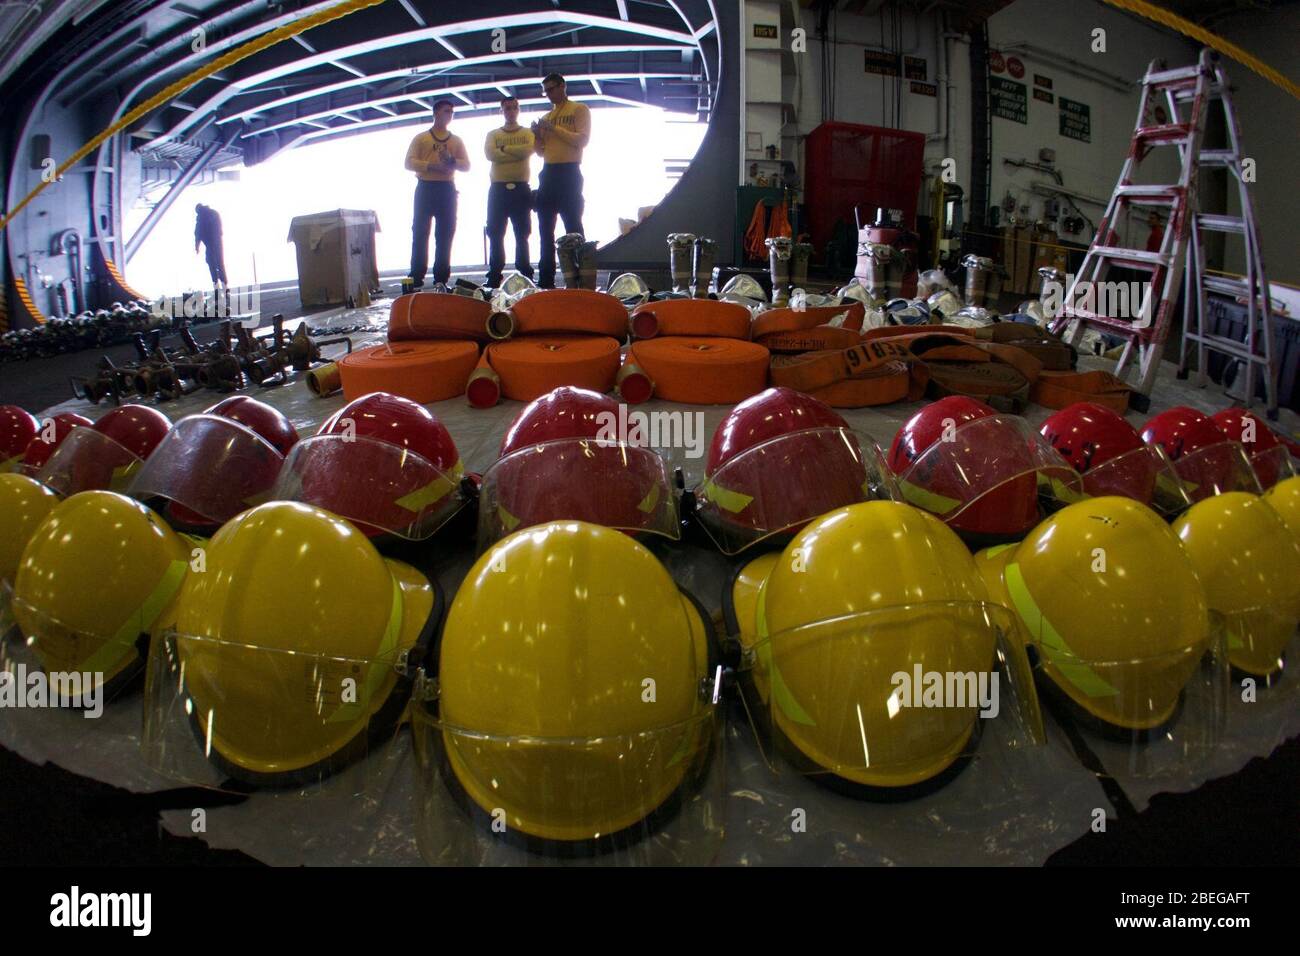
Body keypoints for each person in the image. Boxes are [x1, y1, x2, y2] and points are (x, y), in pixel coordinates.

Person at [532, 73, 591, 288]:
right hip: (548, 173)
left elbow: (582, 140)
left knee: (573, 226)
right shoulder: (547, 117)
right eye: (545, 91)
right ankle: (546, 279)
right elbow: (539, 152)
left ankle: (581, 278)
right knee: (545, 228)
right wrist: (537, 136)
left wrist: (553, 129)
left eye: (551, 89)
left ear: (563, 86)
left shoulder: (579, 109)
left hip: (569, 172)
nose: (549, 94)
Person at [405, 99, 470, 290]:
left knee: (445, 233)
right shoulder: (421, 138)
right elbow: (408, 163)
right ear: (435, 113)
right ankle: (416, 275)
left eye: (451, 112)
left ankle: (441, 276)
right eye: (445, 111)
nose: (449, 115)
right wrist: (431, 166)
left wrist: (451, 161)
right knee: (420, 231)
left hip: (446, 189)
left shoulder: (456, 140)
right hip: (425, 187)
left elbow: (466, 165)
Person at [484, 96, 536, 288]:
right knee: (496, 232)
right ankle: (494, 275)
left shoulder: (528, 133)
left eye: (514, 108)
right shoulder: (493, 134)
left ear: (518, 110)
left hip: (521, 188)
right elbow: (490, 154)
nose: (511, 111)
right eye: (507, 108)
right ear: (502, 111)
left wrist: (504, 149)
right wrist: (515, 152)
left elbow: (528, 150)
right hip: (498, 189)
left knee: (522, 233)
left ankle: (525, 273)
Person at [194, 204, 228, 300]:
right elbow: (220, 229)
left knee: (213, 266)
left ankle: (218, 289)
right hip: (217, 242)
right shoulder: (213, 213)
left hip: (210, 244)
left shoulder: (201, 218)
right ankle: (224, 288)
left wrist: (197, 247)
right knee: (220, 264)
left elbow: (197, 234)